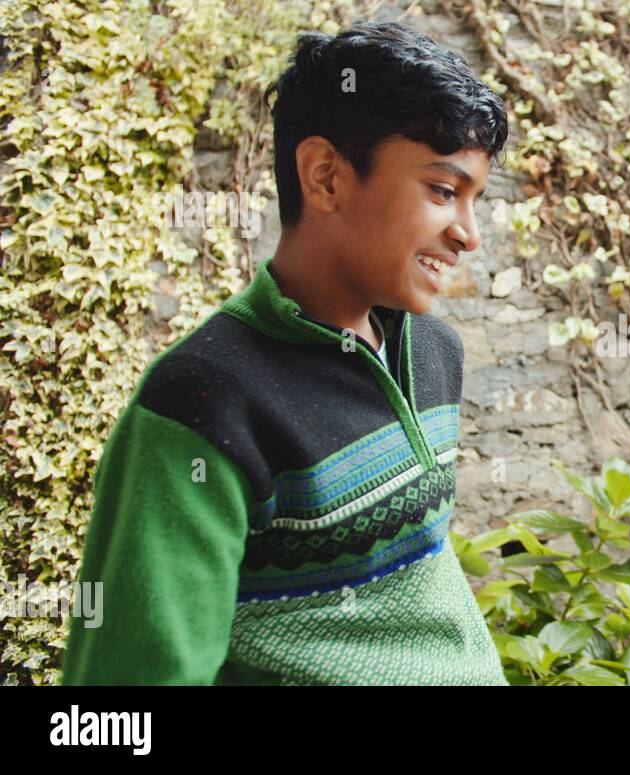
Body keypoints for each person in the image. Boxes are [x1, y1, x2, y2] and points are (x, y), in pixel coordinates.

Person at [63, 22, 509, 684]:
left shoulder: (435, 352)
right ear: (326, 176)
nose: (469, 235)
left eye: (475, 199)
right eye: (443, 191)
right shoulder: (205, 403)